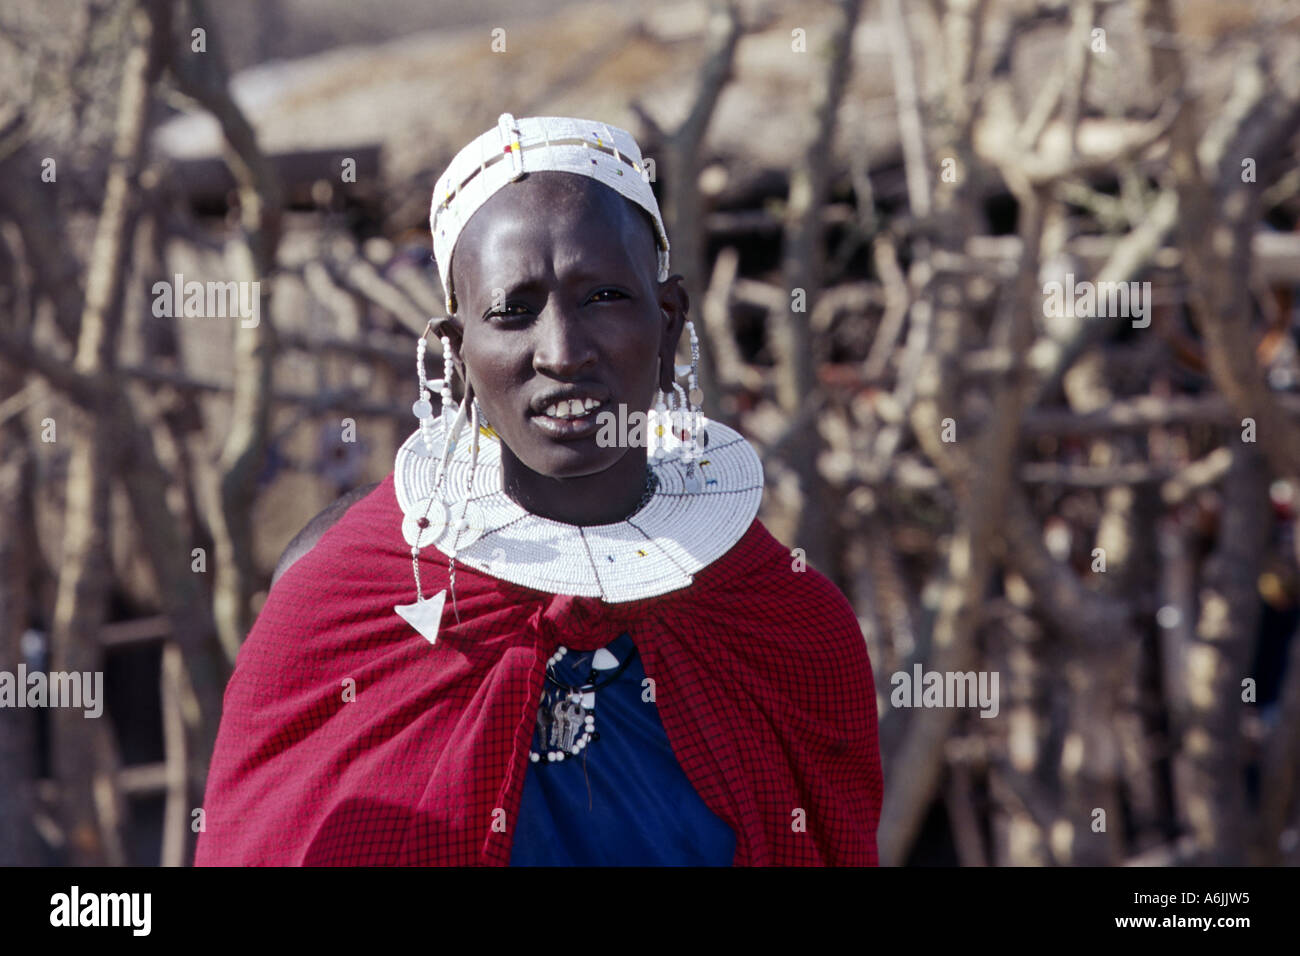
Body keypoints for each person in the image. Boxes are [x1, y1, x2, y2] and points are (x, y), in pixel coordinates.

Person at [195, 114, 883, 866]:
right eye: (512, 312)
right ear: (458, 358)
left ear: (668, 321)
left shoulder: (783, 627)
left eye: (603, 297)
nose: (562, 352)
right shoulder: (341, 602)